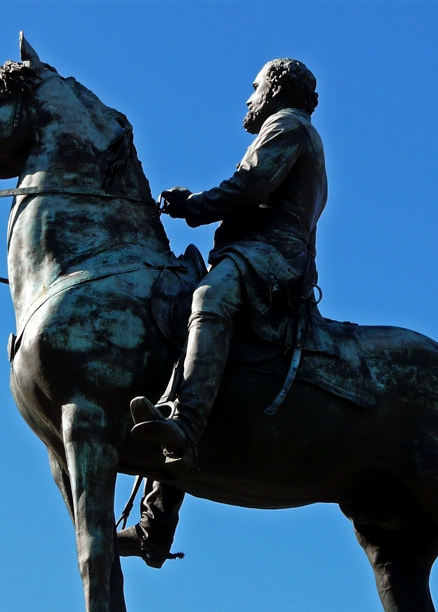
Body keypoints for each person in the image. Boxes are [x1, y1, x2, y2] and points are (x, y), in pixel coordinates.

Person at [118, 57, 327, 564]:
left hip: (271, 255)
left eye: (255, 87)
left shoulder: (289, 126)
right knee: (183, 352)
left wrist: (194, 205)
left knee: (208, 299)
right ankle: (155, 527)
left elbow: (252, 186)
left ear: (275, 89)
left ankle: (187, 428)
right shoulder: (290, 128)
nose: (249, 98)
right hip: (251, 252)